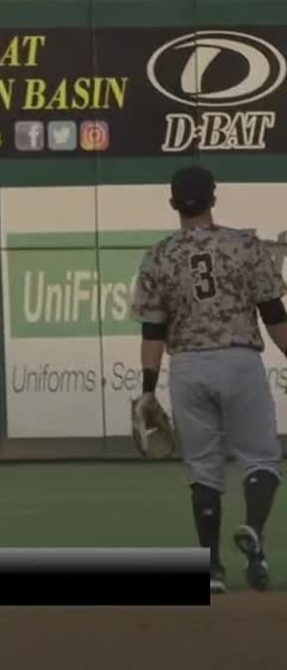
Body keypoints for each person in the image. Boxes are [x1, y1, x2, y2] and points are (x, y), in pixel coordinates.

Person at [130, 165, 284, 594]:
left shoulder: (159, 256)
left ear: (174, 204)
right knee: (261, 460)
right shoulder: (245, 246)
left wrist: (146, 388)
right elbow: (275, 317)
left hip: (189, 368)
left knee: (203, 471)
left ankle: (212, 569)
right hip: (238, 361)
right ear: (213, 199)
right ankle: (252, 530)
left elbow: (152, 332)